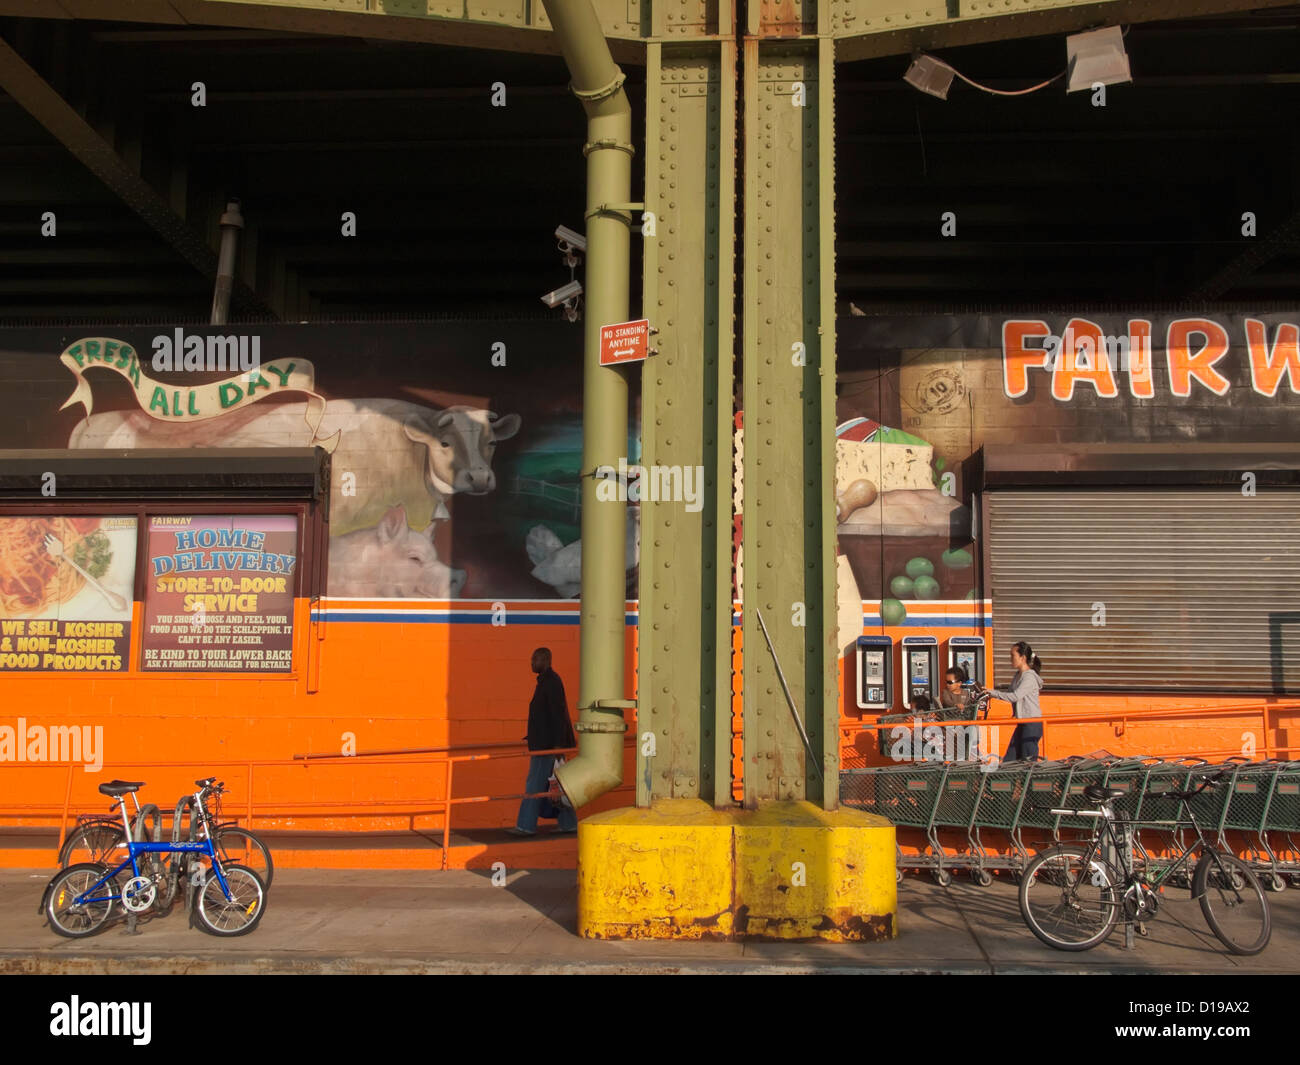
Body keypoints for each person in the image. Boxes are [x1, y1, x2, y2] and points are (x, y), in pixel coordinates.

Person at [508, 647, 578, 836]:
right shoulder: (548, 682)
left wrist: (557, 745)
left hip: (547, 747)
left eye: (535, 659)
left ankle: (525, 825)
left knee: (534, 786)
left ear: (546, 660)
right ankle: (569, 823)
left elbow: (557, 715)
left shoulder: (550, 683)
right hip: (548, 745)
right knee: (558, 785)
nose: (532, 663)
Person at [985, 641, 1044, 761]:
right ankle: (1007, 778)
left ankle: (1033, 779)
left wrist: (992, 693)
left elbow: (1015, 696)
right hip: (1022, 722)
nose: (1010, 659)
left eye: (1013, 656)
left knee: (1028, 760)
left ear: (1022, 658)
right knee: (1010, 758)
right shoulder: (1018, 675)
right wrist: (988, 693)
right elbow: (1008, 694)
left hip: (1032, 723)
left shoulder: (1029, 677)